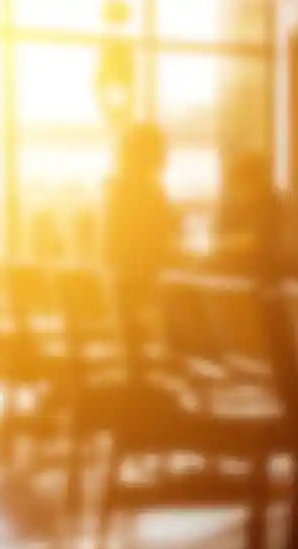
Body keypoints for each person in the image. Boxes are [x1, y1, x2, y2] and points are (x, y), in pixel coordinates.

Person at [103, 123, 180, 388]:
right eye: (161, 150)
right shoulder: (144, 191)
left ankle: (140, 388)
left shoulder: (117, 189)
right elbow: (158, 234)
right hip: (141, 282)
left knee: (134, 345)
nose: (166, 156)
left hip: (126, 281)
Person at [212, 152, 282, 284]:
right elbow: (220, 235)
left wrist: (224, 242)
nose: (238, 193)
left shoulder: (270, 204)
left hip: (262, 273)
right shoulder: (234, 206)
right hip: (233, 270)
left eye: (241, 186)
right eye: (235, 188)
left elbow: (254, 240)